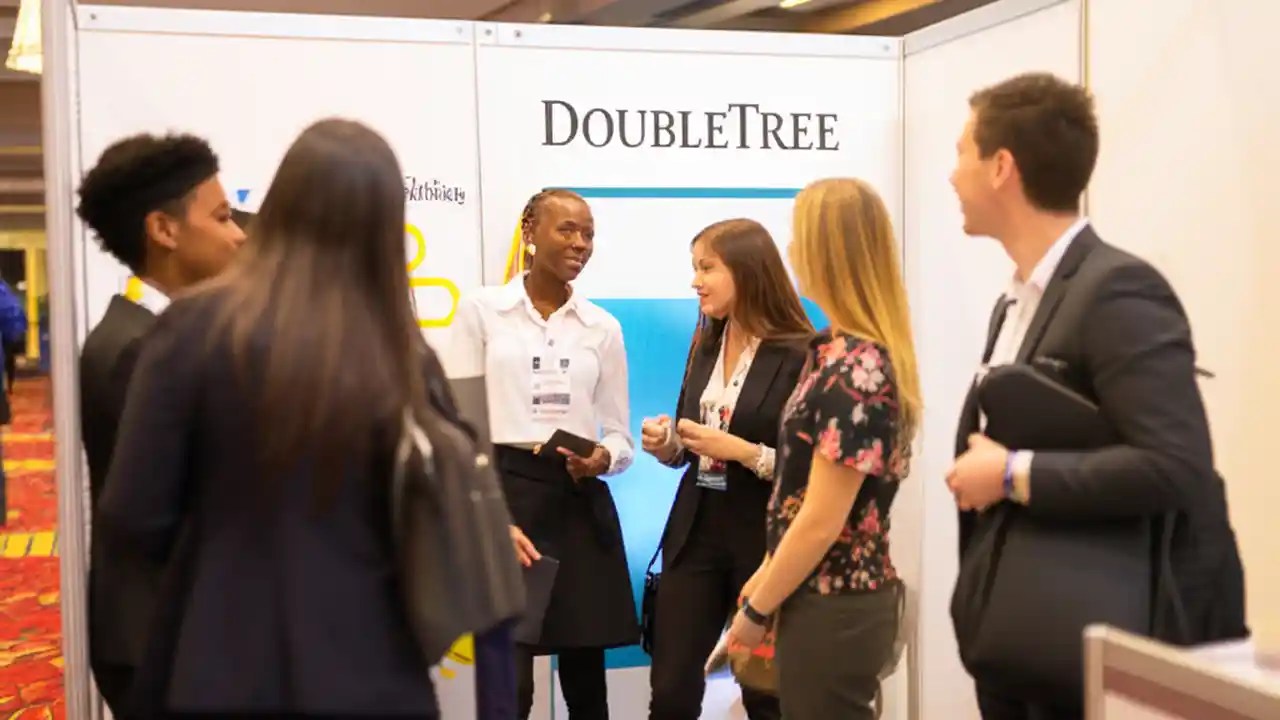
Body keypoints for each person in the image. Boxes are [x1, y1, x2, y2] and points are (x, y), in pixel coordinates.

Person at [97, 119, 511, 717]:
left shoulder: (191, 330)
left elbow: (133, 516)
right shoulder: (401, 351)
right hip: (375, 669)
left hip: (221, 664)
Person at [945, 72, 1248, 719]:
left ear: (1002, 167)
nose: (951, 175)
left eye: (961, 154)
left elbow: (1174, 465)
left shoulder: (1118, 290)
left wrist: (1009, 472)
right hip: (1024, 636)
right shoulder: (1017, 303)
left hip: (1100, 645)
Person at [727, 178, 920, 719]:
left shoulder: (856, 369)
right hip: (820, 597)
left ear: (827, 250)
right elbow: (800, 495)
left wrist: (757, 610)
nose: (789, 251)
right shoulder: (832, 354)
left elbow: (821, 519)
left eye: (798, 236)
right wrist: (766, 573)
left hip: (835, 603)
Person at [447, 188, 638, 720]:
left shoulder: (603, 327)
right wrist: (488, 515)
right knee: (510, 687)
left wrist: (605, 459)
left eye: (589, 233)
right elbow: (459, 426)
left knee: (586, 687)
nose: (580, 243)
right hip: (507, 496)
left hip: (577, 498)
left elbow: (619, 435)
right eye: (567, 229)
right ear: (530, 231)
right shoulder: (482, 310)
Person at [75, 132, 247, 717]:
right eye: (222, 217)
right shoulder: (137, 351)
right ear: (164, 230)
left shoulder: (157, 339)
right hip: (166, 643)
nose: (239, 234)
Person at [640, 219, 811, 720]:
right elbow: (691, 446)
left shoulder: (801, 352)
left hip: (764, 543)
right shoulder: (705, 342)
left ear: (747, 271)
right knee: (670, 691)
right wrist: (669, 444)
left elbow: (812, 473)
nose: (696, 281)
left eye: (706, 267)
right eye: (695, 267)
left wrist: (741, 450)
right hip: (694, 533)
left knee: (765, 695)